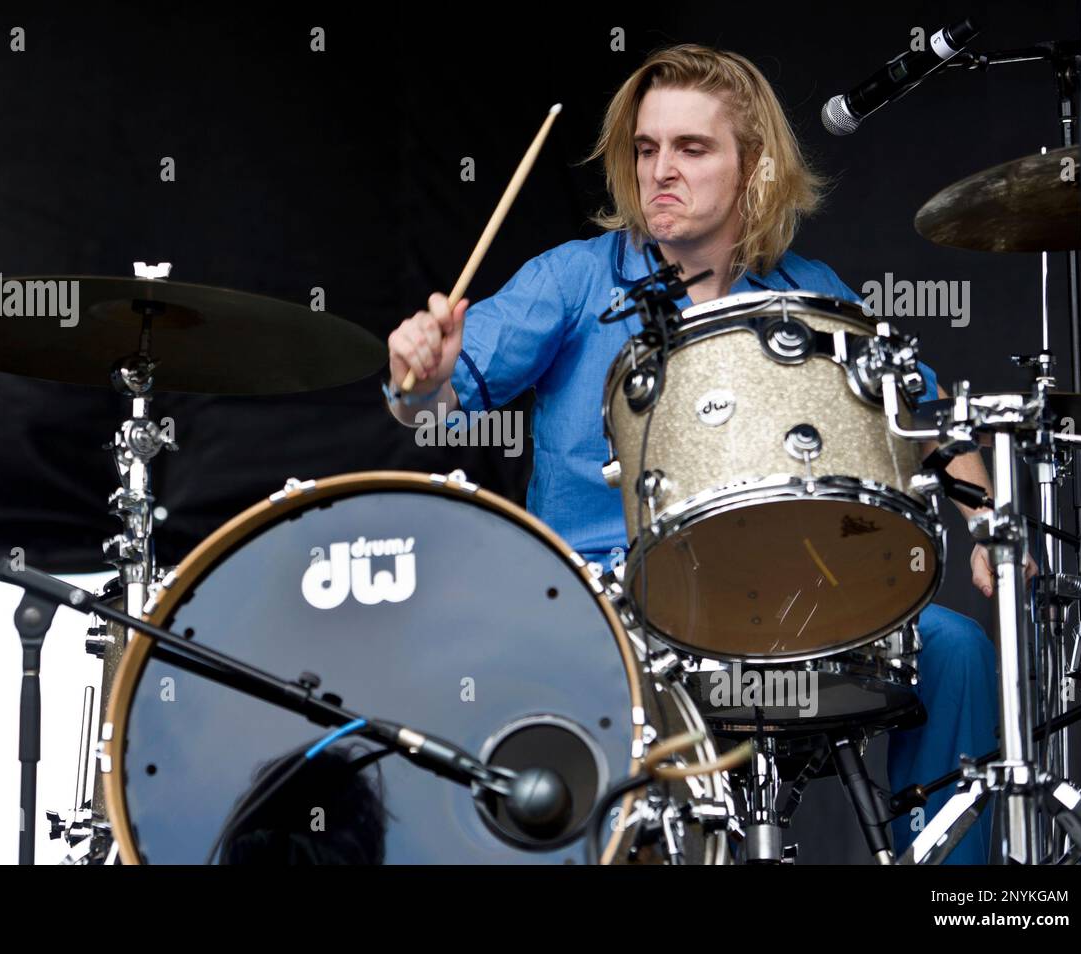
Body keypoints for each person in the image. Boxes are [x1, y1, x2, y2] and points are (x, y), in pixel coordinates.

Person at [384, 44, 1031, 863]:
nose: (661, 170)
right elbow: (430, 402)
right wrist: (417, 380)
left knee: (956, 650)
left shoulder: (810, 293)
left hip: (782, 604)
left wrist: (982, 517)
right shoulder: (574, 281)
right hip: (604, 606)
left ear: (754, 166)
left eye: (692, 149)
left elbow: (921, 416)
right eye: (647, 149)